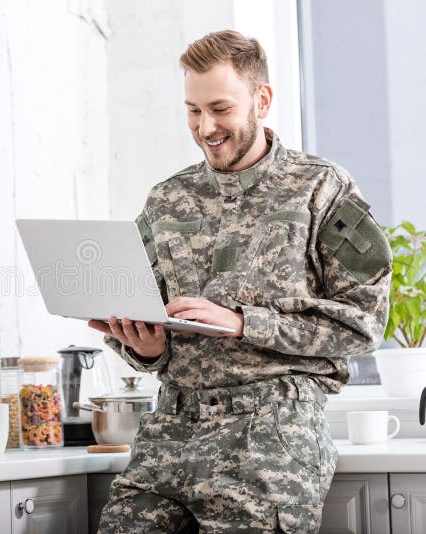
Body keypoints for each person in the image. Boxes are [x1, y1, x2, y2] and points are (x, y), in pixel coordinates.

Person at [88, 30, 392, 533]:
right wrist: (144, 347)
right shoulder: (166, 200)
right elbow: (145, 315)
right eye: (192, 110)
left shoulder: (321, 188)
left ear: (262, 100)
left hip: (269, 439)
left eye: (219, 108)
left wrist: (242, 323)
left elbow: (363, 324)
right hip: (168, 434)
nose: (205, 126)